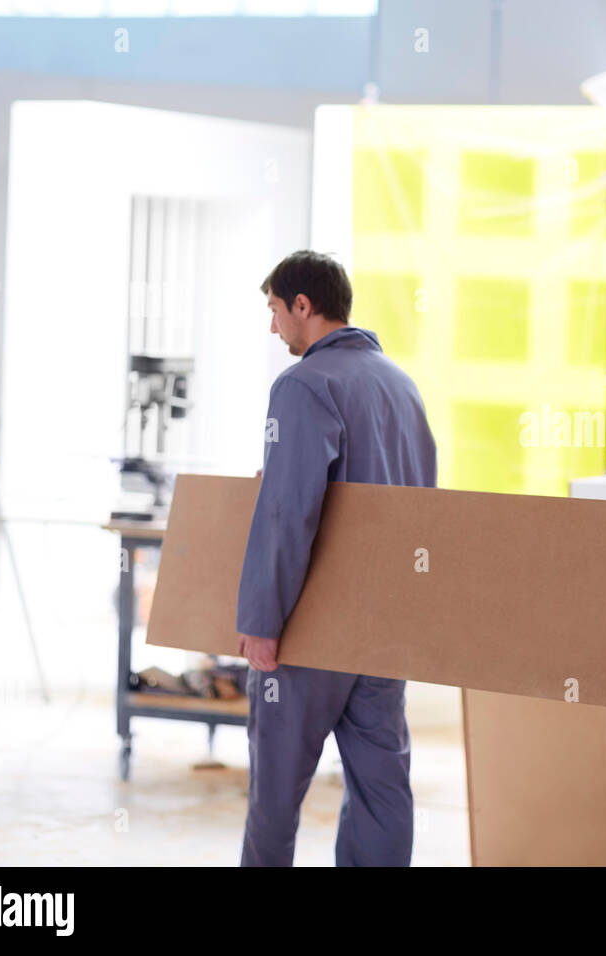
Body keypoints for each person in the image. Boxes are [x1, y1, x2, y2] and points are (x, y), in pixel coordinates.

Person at [235, 250, 436, 867]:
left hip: (312, 632)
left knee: (274, 795)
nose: (273, 328)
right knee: (381, 790)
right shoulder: (402, 386)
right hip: (384, 632)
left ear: (303, 305)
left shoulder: (302, 386)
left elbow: (287, 512)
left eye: (274, 310)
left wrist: (261, 623)